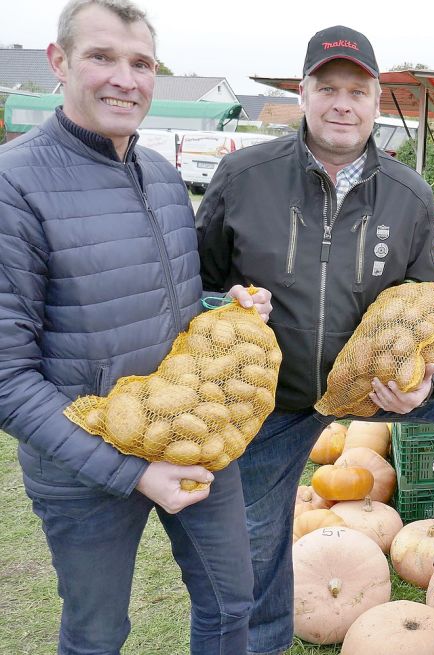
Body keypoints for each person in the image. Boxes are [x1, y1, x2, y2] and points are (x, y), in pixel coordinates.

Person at [196, 25, 434, 655]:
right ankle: (259, 644)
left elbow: (426, 307)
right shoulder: (242, 176)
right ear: (304, 93)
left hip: (368, 386)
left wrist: (422, 374)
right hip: (271, 399)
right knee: (257, 550)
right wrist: (224, 304)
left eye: (357, 90)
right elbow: (195, 282)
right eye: (328, 87)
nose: (342, 103)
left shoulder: (408, 194)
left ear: (375, 100)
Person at [0, 1, 271, 653]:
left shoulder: (161, 174)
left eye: (141, 63)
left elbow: (169, 306)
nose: (126, 78)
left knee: (232, 604)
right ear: (59, 62)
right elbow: (8, 378)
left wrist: (224, 310)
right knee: (97, 633)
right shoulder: (14, 186)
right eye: (102, 57)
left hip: (194, 433)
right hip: (83, 465)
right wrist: (132, 470)